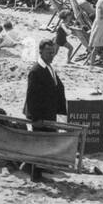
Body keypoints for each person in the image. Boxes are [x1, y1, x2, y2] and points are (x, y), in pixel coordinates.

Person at [23, 39, 67, 182]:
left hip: (49, 112)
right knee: (39, 143)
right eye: (49, 53)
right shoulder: (36, 71)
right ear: (40, 52)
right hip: (40, 115)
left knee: (47, 142)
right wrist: (35, 118)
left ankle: (41, 168)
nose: (52, 55)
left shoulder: (49, 68)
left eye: (53, 53)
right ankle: (35, 174)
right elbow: (31, 96)